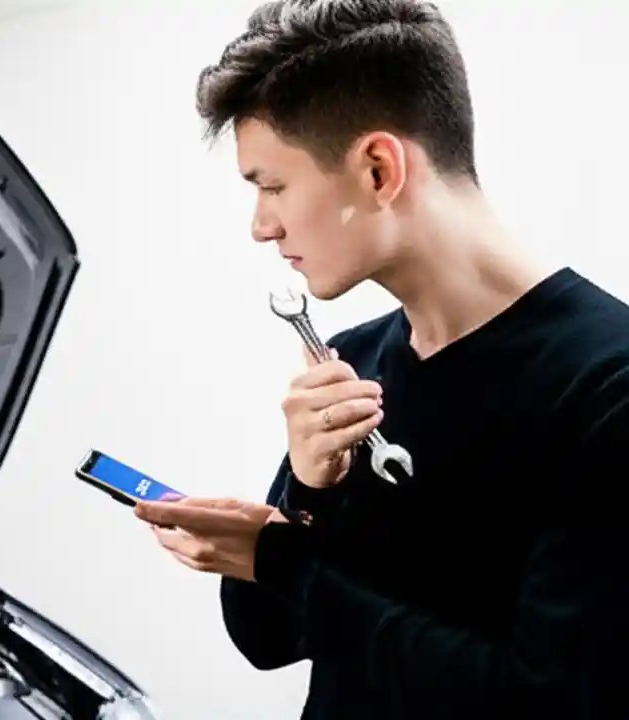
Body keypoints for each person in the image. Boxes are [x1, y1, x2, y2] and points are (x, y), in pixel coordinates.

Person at [130, 1, 629, 718]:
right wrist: (306, 493)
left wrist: (279, 559)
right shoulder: (354, 361)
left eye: (272, 185)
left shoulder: (608, 387)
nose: (260, 226)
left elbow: (544, 699)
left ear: (376, 169)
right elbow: (267, 639)